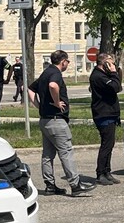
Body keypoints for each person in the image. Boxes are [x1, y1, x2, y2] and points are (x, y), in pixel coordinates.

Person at [29, 50, 96, 196]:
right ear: (63, 61)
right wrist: (56, 102)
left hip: (45, 120)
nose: (68, 64)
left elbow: (29, 89)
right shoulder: (55, 73)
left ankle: (50, 185)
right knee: (66, 152)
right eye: (68, 61)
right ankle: (75, 185)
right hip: (56, 121)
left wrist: (39, 106)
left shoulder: (45, 73)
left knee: (47, 155)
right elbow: (53, 86)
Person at [89, 52, 122, 185]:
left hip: (110, 113)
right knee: (106, 145)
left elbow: (118, 86)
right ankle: (100, 173)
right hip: (104, 114)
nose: (113, 66)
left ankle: (107, 171)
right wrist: (113, 73)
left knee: (110, 144)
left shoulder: (104, 76)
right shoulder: (98, 76)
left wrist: (115, 73)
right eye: (111, 63)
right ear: (105, 64)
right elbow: (115, 87)